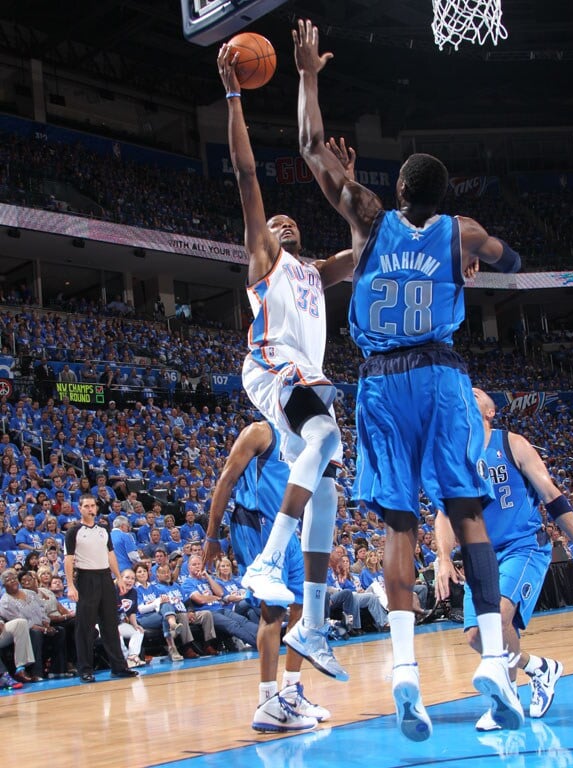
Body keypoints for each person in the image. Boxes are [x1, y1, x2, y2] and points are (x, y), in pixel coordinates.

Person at [292, 18, 525, 739]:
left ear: (396, 190)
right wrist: (483, 258)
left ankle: (402, 674)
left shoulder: (368, 221)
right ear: (444, 195)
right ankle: (491, 655)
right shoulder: (462, 231)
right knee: (466, 511)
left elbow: (307, 148)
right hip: (440, 377)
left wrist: (306, 74)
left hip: (382, 384)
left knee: (398, 522)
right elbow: (512, 260)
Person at [217, 44, 355, 683]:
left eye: (289, 218)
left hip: (303, 378)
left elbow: (366, 247)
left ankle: (318, 624)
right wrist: (234, 96)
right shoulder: (266, 261)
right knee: (326, 435)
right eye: (273, 222)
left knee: (326, 476)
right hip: (272, 363)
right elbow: (247, 176)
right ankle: (271, 557)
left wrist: (345, 187)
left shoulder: (316, 271)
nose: (280, 221)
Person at [435, 388, 573, 730]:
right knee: (476, 637)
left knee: (498, 617)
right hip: (480, 555)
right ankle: (539, 667)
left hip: (522, 545)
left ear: (490, 411)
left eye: (476, 392)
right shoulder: (453, 454)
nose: (467, 392)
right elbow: (443, 513)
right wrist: (443, 558)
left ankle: (504, 701)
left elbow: (551, 495)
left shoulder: (512, 443)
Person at [203, 421, 329, 732]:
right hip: (257, 526)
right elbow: (226, 480)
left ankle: (290, 692)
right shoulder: (259, 432)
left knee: (305, 608)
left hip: (289, 530)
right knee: (272, 611)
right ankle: (267, 701)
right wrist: (211, 536)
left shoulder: (305, 436)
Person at [64, 493, 138, 682]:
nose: (90, 509)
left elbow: (111, 555)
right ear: (79, 509)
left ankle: (119, 666)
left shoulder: (104, 529)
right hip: (86, 578)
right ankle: (85, 669)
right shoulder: (74, 531)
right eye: (86, 506)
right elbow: (68, 559)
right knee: (85, 627)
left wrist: (119, 577)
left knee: (110, 624)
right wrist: (71, 585)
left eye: (92, 506)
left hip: (105, 576)